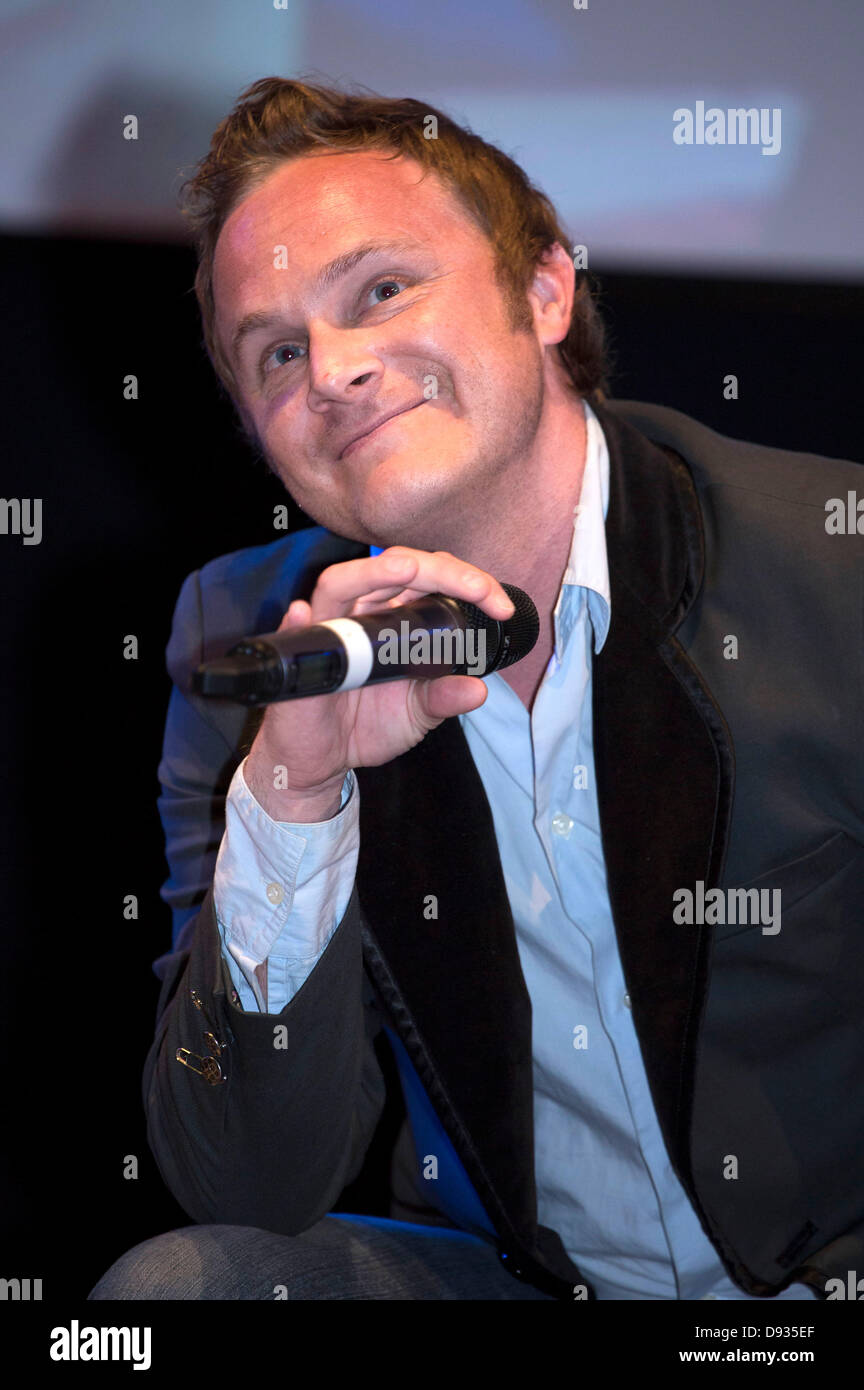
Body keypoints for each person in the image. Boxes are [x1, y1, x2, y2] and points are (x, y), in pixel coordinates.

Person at [89, 78, 863, 1301]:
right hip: (526, 1285)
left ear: (544, 289)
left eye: (381, 290)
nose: (332, 369)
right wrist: (298, 789)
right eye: (277, 350)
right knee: (180, 1294)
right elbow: (251, 1180)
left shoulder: (833, 565)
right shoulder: (251, 643)